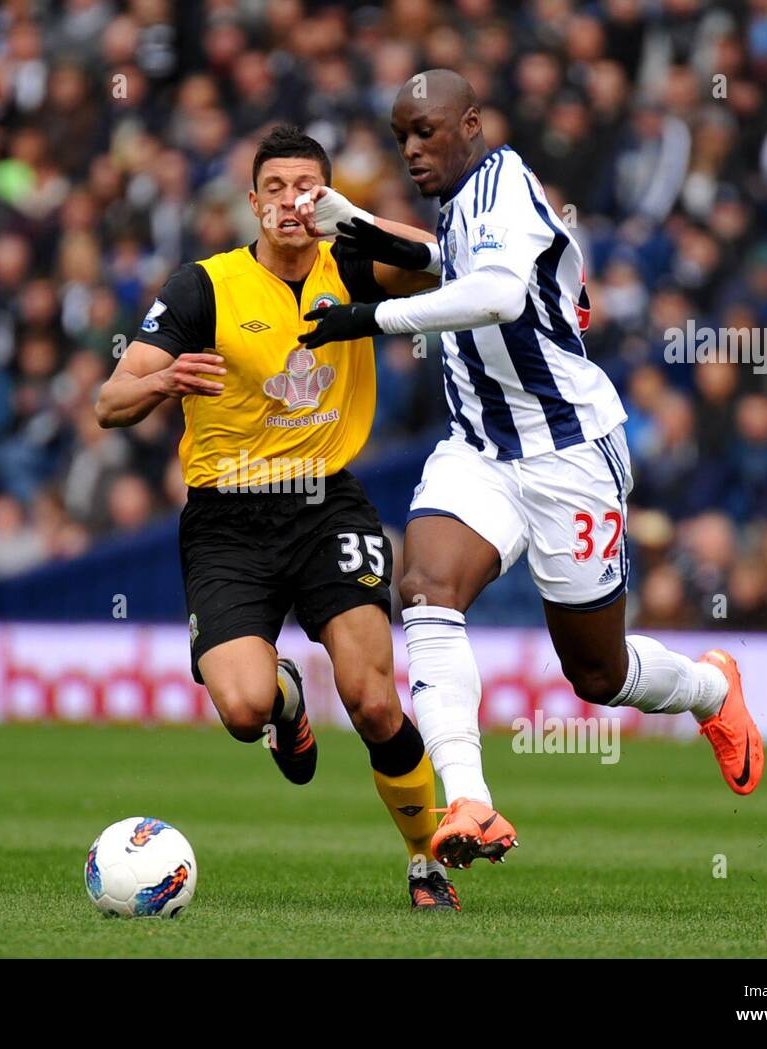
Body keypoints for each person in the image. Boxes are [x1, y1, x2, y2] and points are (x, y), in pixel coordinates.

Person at [296, 70, 766, 872]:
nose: (412, 149)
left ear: (472, 124)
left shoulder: (505, 184)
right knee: (426, 587)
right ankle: (469, 799)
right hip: (480, 447)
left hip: (569, 453)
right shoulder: (463, 206)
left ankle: (712, 690)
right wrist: (359, 225)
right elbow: (443, 259)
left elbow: (501, 295)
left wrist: (367, 318)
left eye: (428, 132)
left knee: (597, 671)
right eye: (402, 135)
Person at [95, 125, 462, 910]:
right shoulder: (204, 286)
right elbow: (108, 402)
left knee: (371, 698)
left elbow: (445, 257)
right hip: (226, 519)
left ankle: (426, 857)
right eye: (276, 188)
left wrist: (352, 217)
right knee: (242, 708)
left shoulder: (354, 261)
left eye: (307, 187)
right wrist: (164, 385)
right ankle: (286, 699)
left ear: (324, 195)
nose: (291, 201)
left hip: (327, 502)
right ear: (253, 200)